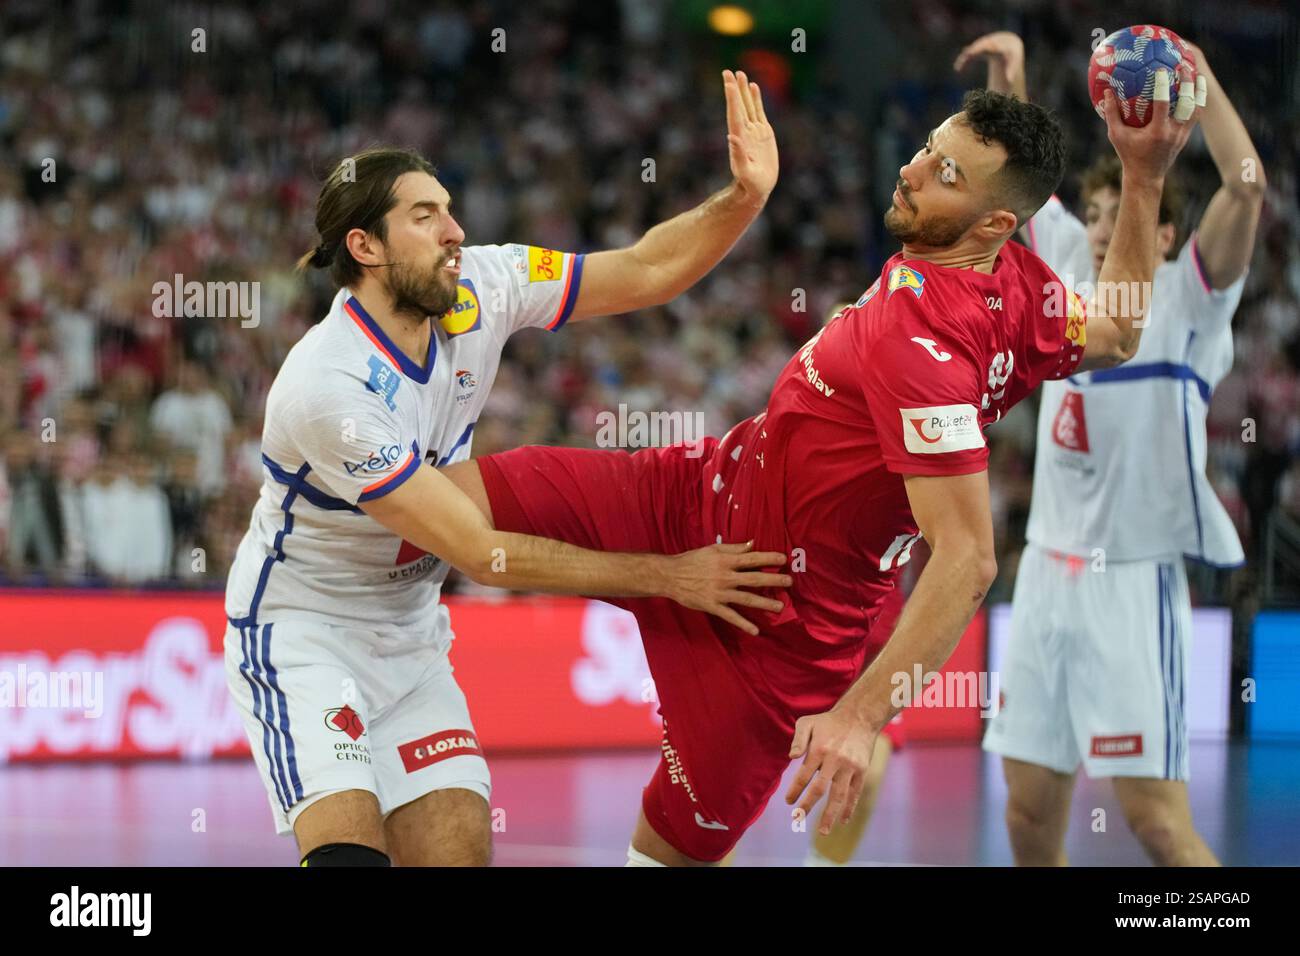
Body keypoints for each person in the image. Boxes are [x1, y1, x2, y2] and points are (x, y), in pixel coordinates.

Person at [446, 81, 1202, 865]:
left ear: (996, 222)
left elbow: (970, 559)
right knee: (448, 496)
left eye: (946, 173)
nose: (912, 170)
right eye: (929, 148)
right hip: (687, 495)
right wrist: (1143, 177)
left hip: (772, 626)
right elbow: (1117, 328)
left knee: (664, 855)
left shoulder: (925, 348)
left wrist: (859, 717)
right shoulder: (1015, 284)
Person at [224, 71, 788, 867]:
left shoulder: (482, 283)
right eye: (425, 216)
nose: (455, 229)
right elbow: (481, 551)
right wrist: (672, 577)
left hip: (411, 634)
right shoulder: (330, 386)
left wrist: (743, 197)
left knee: (458, 852)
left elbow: (648, 269)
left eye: (451, 209)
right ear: (366, 247)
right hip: (306, 631)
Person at [959, 31, 1262, 866]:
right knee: (1025, 817)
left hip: (1134, 576)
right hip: (1048, 575)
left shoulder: (1189, 304)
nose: (1098, 228)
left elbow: (1247, 187)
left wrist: (1198, 78)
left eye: (1117, 215)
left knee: (1158, 824)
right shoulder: (1065, 276)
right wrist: (1011, 81)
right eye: (1089, 215)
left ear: (1162, 236)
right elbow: (1021, 191)